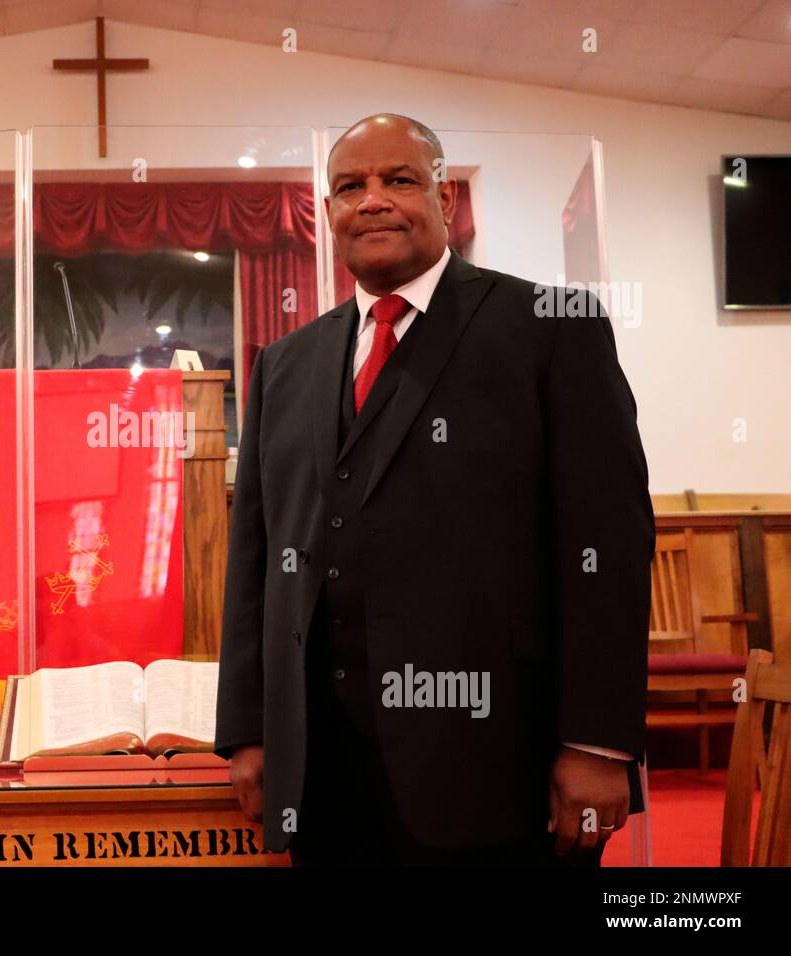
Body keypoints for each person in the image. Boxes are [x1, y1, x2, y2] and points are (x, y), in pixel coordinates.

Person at [214, 113, 653, 865]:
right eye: (350, 186)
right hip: (325, 772)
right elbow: (255, 564)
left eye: (400, 180)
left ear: (445, 200)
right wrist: (249, 731)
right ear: (329, 215)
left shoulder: (550, 325)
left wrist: (597, 742)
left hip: (499, 768)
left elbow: (605, 543)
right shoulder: (282, 365)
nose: (373, 199)